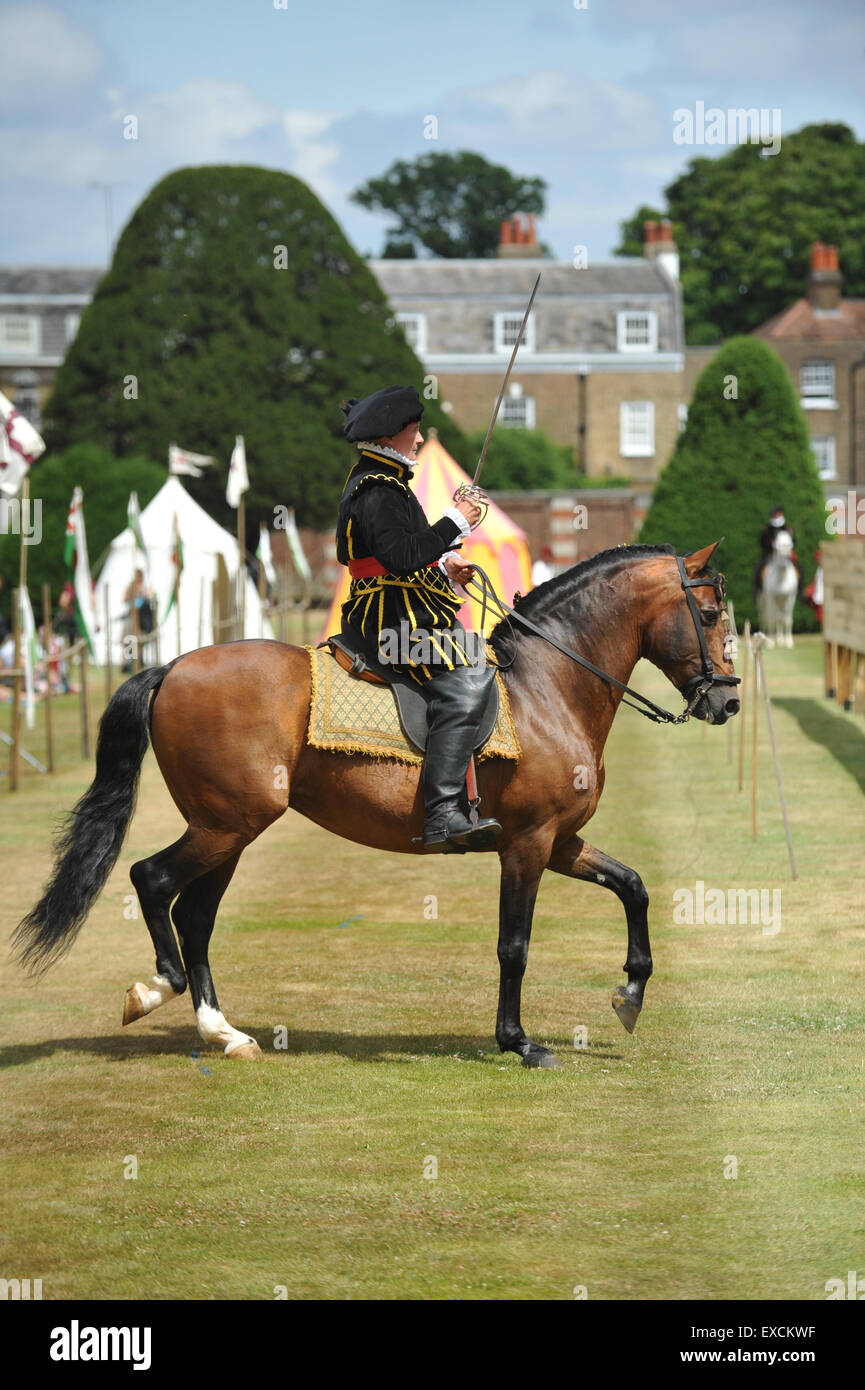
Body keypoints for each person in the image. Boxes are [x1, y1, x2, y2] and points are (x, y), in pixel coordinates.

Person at [335, 384, 502, 853]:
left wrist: (446, 564)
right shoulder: (377, 489)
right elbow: (403, 555)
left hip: (399, 606)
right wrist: (456, 519)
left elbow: (403, 555)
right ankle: (444, 812)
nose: (420, 439)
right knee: (467, 680)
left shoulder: (386, 482)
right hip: (388, 621)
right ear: (390, 437)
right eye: (414, 431)